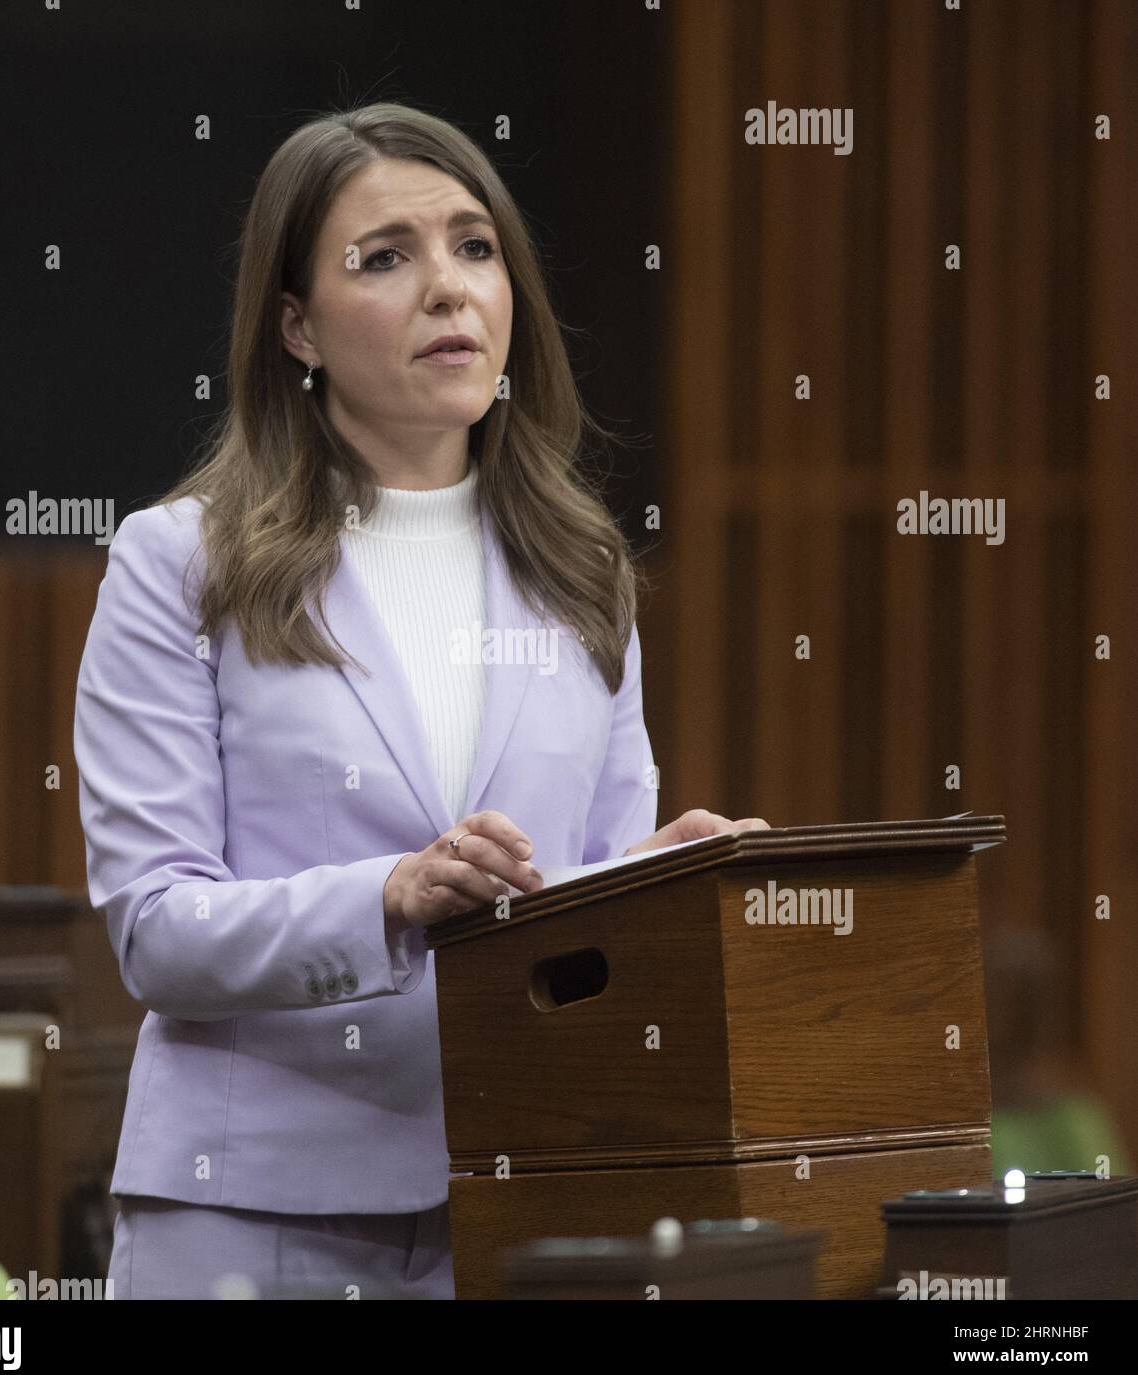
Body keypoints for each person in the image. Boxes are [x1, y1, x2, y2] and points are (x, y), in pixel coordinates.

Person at [74, 100, 767, 1301]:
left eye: (473, 245)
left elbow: (573, 918)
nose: (447, 287)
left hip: (520, 1200)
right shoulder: (178, 562)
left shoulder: (582, 571)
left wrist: (657, 884)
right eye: (384, 257)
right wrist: (385, 897)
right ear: (295, 324)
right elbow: (154, 929)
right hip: (247, 1210)